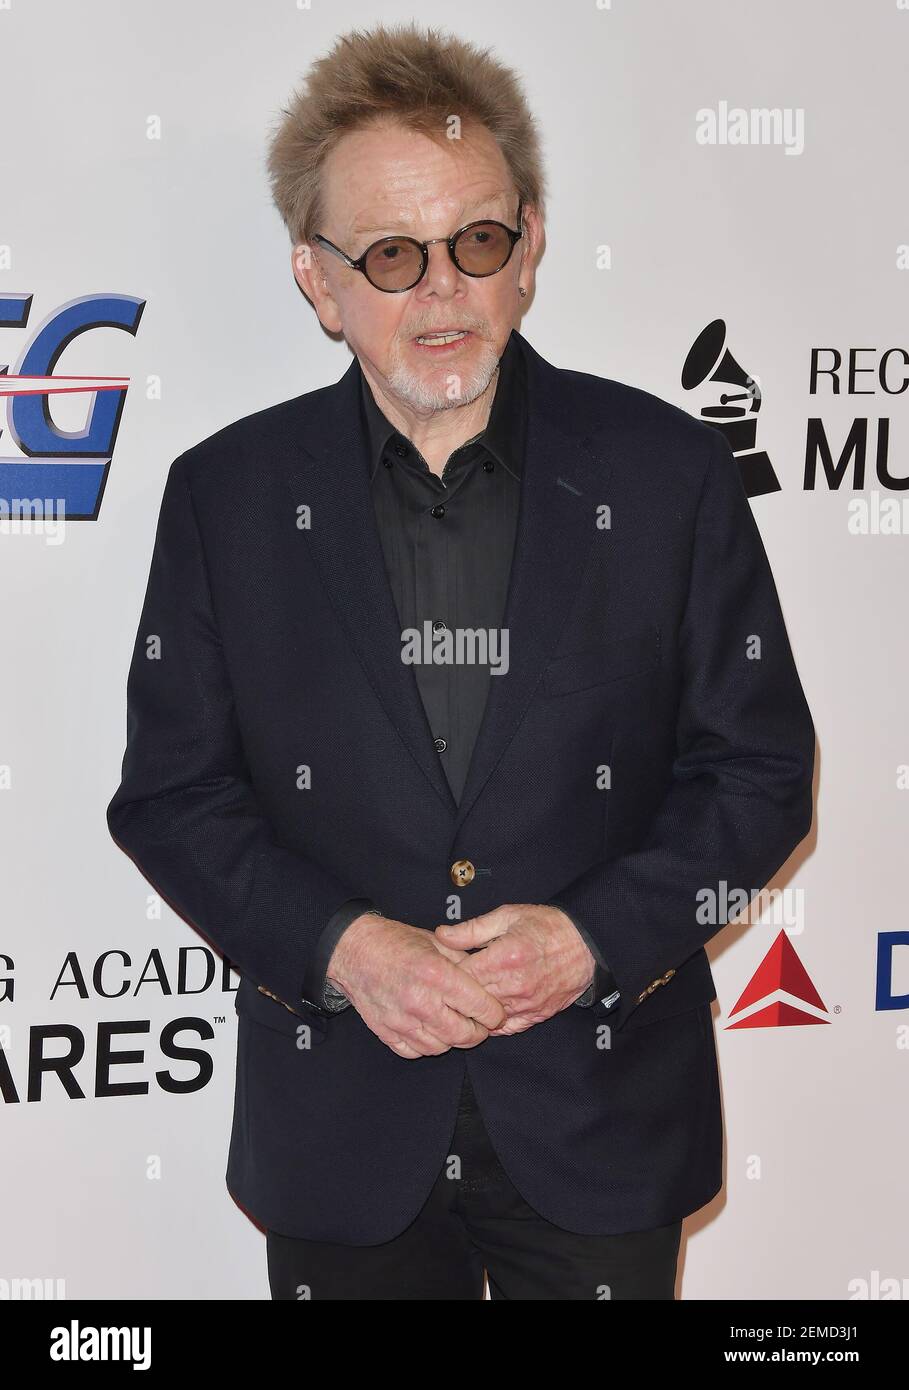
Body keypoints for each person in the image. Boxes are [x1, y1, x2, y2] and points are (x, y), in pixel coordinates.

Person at [106, 22, 815, 1300]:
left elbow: (760, 771)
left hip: (602, 1116)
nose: (442, 290)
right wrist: (344, 948)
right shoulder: (228, 497)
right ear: (318, 283)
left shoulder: (667, 476)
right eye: (390, 255)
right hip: (341, 1130)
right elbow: (172, 796)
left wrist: (594, 939)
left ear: (531, 245)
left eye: (477, 241)